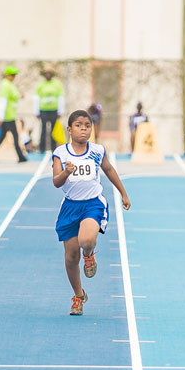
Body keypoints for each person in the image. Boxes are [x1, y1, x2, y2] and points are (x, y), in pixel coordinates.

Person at [51, 109, 130, 316]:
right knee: (71, 257)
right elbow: (56, 182)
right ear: (69, 129)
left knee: (86, 240)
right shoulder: (61, 153)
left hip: (92, 203)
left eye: (87, 126)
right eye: (78, 125)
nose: (83, 129)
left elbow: (109, 170)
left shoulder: (97, 150)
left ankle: (89, 254)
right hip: (70, 206)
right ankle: (79, 296)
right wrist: (66, 172)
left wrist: (123, 193)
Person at [0, 66, 27, 162]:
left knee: (2, 137)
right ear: (7, 75)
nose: (14, 77)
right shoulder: (5, 85)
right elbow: (2, 101)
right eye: (12, 75)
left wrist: (21, 95)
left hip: (10, 115)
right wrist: (0, 116)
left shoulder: (11, 85)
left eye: (14, 75)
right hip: (7, 116)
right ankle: (21, 157)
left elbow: (14, 96)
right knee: (15, 137)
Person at [35, 68, 65, 154]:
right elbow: (36, 98)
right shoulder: (40, 85)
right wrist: (36, 111)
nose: (47, 75)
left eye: (49, 73)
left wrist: (60, 111)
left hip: (53, 110)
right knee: (43, 129)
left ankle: (53, 148)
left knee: (53, 130)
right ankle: (41, 148)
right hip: (43, 110)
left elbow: (60, 98)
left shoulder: (57, 84)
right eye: (46, 73)